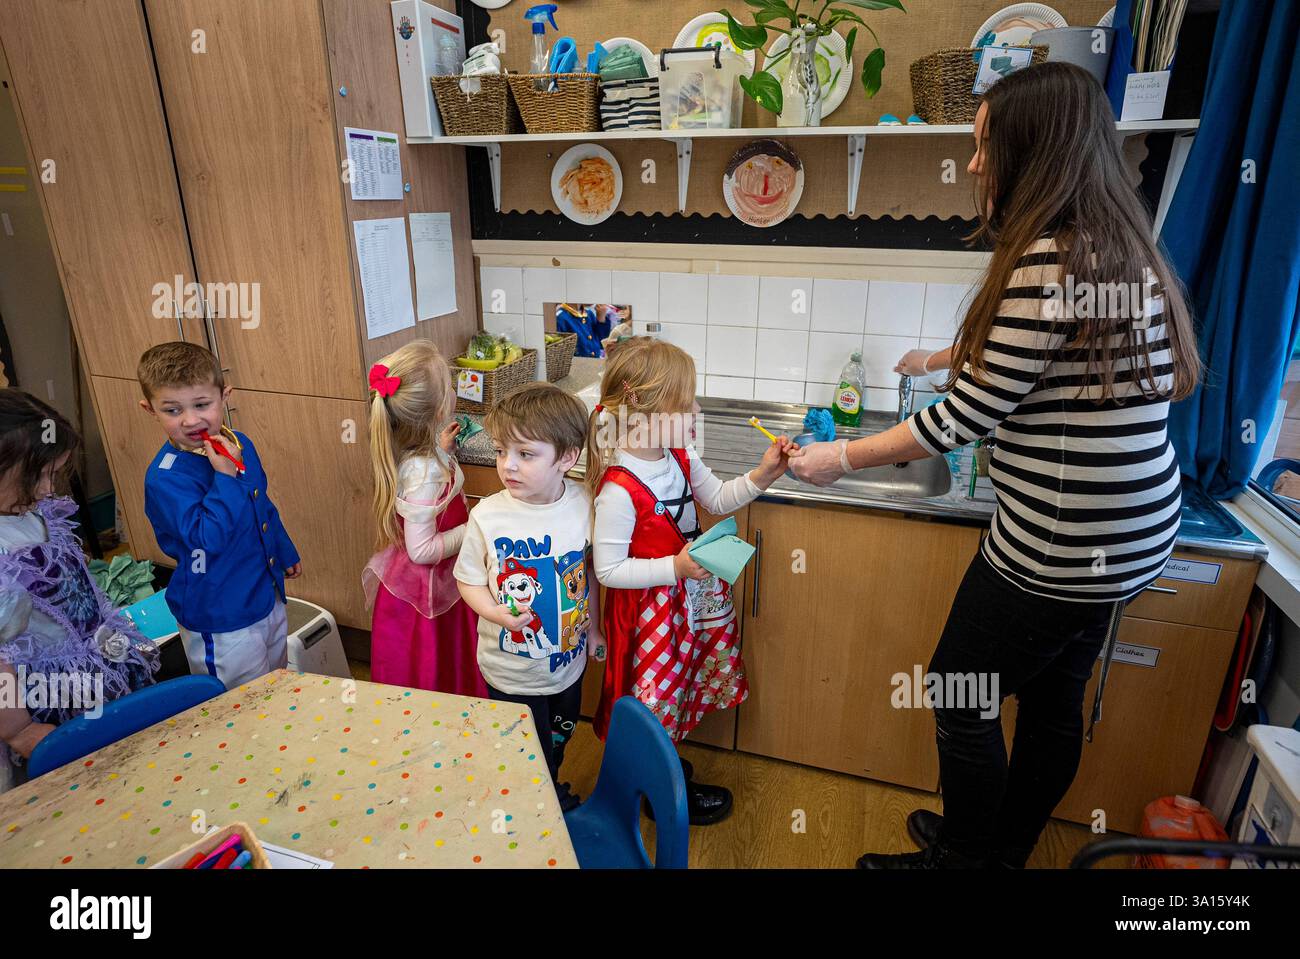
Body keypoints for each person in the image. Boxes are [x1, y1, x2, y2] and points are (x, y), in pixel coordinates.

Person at [789, 62, 1201, 868]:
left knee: (957, 690)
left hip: (1056, 543)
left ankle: (965, 859)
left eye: (986, 148)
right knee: (1052, 701)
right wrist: (943, 354)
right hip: (1134, 538)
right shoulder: (1124, 250)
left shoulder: (1047, 257)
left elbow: (968, 416)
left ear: (1034, 150)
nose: (975, 165)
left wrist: (842, 456)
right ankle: (1000, 849)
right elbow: (1049, 357)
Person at [589, 337, 793, 824]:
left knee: (672, 692)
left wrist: (763, 475)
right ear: (640, 404)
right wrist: (675, 569)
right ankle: (652, 792)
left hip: (683, 607)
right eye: (687, 403)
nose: (696, 409)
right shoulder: (618, 488)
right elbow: (608, 571)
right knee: (649, 701)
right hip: (645, 618)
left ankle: (657, 769)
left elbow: (719, 498)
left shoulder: (678, 454)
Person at [0, 389, 158, 791]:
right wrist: (19, 730)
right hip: (48, 699)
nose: (49, 490)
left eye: (55, 473)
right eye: (37, 476)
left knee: (131, 766)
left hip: (101, 666)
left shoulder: (36, 511)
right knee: (85, 784)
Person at [453, 382, 600, 812]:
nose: (507, 466)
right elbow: (468, 580)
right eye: (501, 452)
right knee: (524, 751)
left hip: (567, 665)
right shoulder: (488, 515)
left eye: (525, 454)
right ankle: (536, 805)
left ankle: (545, 788)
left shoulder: (584, 503)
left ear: (567, 459)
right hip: (511, 672)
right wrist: (494, 613)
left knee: (559, 735)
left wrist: (596, 630)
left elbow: (586, 573)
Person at [139, 342, 301, 689]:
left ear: (225, 395)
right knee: (239, 702)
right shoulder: (165, 478)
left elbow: (260, 502)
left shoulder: (237, 442)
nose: (191, 419)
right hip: (222, 614)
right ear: (150, 409)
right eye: (172, 410)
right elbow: (205, 540)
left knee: (276, 681)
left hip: (265, 592)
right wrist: (224, 476)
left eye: (202, 404)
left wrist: (283, 550)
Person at [364, 340, 484, 696]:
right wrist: (472, 526)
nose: (453, 391)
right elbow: (422, 550)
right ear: (437, 410)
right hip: (429, 591)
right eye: (449, 386)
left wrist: (440, 450)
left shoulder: (422, 455)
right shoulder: (423, 474)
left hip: (433, 584)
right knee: (434, 670)